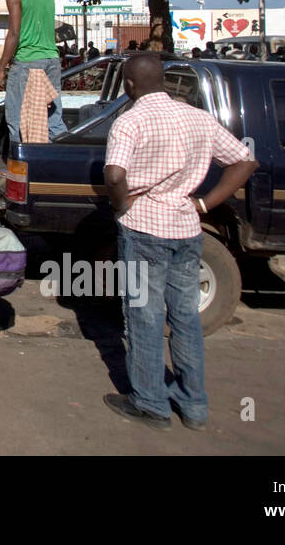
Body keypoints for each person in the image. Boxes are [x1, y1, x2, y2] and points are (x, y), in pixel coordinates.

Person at [102, 53, 257, 432]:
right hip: (187, 229)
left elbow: (114, 172)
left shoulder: (130, 121)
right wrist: (204, 203)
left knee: (144, 315)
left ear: (129, 85)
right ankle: (193, 404)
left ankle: (151, 402)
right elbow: (244, 161)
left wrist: (122, 205)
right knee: (185, 317)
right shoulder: (198, 118)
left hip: (144, 229)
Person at [0, 0, 67, 152]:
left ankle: (18, 165)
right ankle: (61, 158)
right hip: (52, 59)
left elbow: (14, 34)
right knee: (53, 114)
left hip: (28, 61)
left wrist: (1, 68)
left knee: (16, 116)